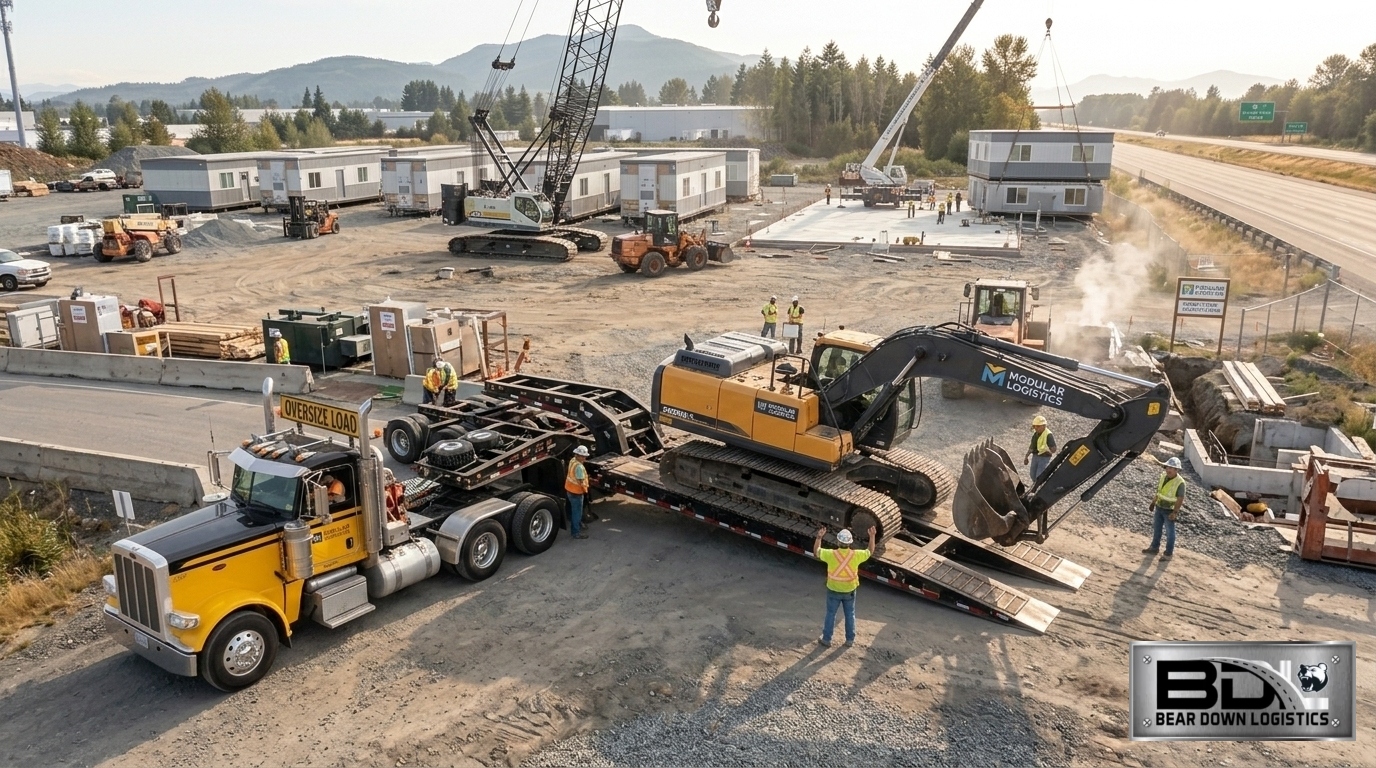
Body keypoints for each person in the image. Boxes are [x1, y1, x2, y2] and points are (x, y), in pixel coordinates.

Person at [813, 525, 876, 647]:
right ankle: (849, 640)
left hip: (833, 590)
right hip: (850, 591)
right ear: (850, 543)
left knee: (831, 614)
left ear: (838, 541)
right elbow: (870, 551)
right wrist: (872, 536)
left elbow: (816, 551)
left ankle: (826, 639)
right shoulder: (856, 555)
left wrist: (819, 537)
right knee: (850, 614)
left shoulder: (831, 554)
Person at [1143, 457, 1186, 560]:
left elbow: (1180, 499)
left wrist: (1175, 512)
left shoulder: (1180, 482)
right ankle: (1154, 547)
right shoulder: (1163, 477)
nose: (1168, 470)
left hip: (1169, 510)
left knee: (1170, 532)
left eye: (1171, 468)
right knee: (1157, 528)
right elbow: (1159, 491)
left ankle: (1168, 553)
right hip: (1159, 507)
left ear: (1177, 470)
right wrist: (1153, 502)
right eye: (1167, 467)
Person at [565, 445, 591, 539]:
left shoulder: (573, 460)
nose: (584, 458)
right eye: (583, 456)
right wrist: (586, 491)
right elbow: (581, 482)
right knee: (577, 513)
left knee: (573, 510)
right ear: (578, 455)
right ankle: (576, 532)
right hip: (576, 493)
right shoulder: (579, 467)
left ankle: (577, 524)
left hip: (569, 490)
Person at [1024, 415, 1056, 482]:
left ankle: (1038, 487)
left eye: (1038, 426)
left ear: (1044, 426)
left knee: (1039, 476)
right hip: (1036, 455)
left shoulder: (1048, 435)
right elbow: (1032, 447)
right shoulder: (1035, 435)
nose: (1036, 428)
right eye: (1034, 426)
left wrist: (1050, 448)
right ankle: (1035, 486)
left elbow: (1054, 450)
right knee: (1032, 474)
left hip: (1044, 457)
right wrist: (1026, 456)